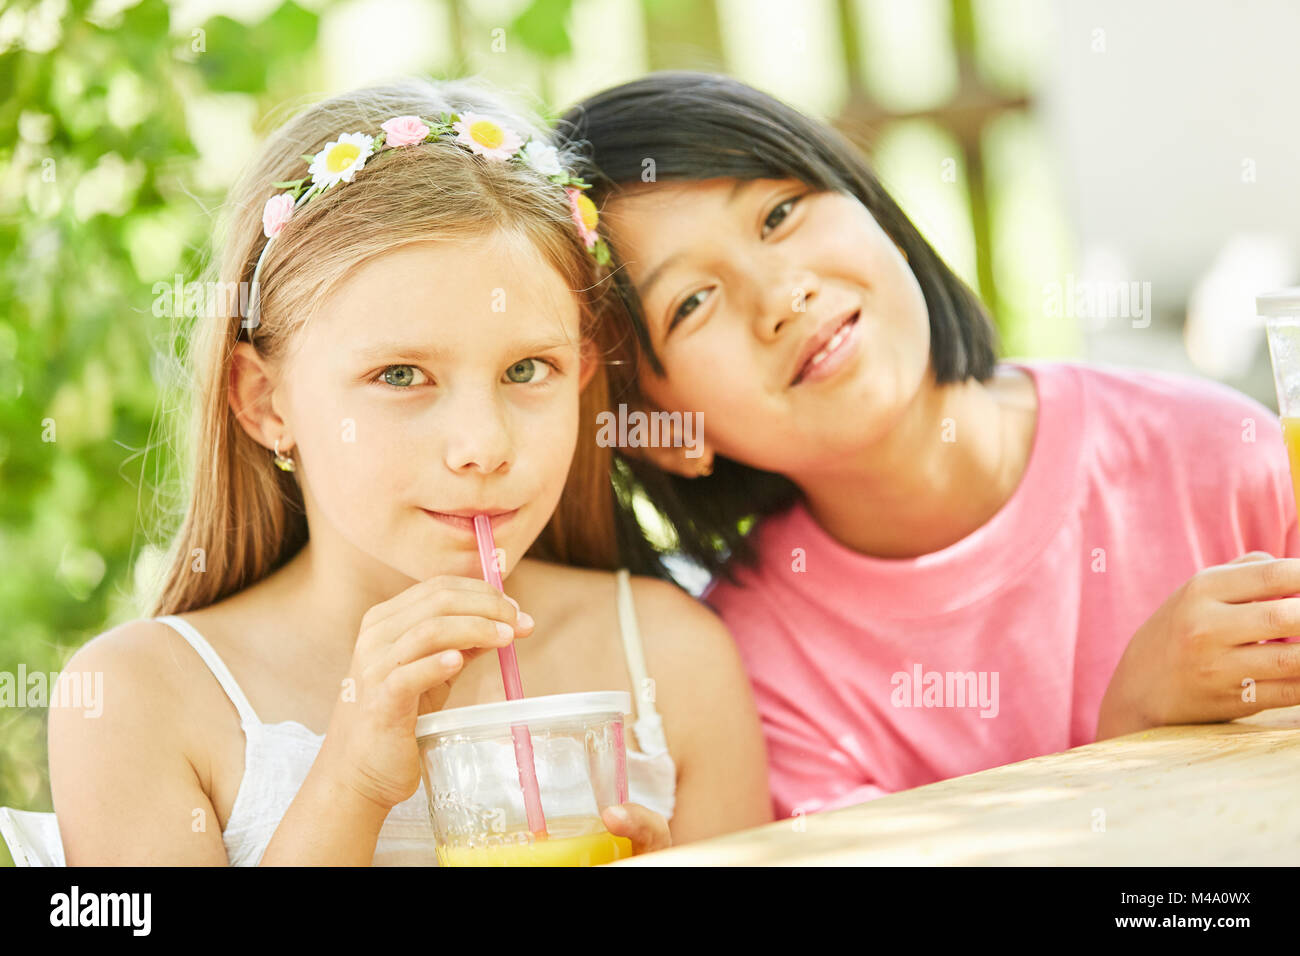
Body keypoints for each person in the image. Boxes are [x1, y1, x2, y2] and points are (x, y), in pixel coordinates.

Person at [48, 77, 771, 865]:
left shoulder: (672, 658)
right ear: (265, 403)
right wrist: (352, 781)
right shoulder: (139, 700)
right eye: (400, 375)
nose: (481, 445)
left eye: (528, 369)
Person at [556, 71, 1300, 821]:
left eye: (779, 213)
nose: (780, 296)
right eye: (691, 302)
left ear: (871, 205)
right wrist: (1136, 732)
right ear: (665, 437)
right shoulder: (753, 678)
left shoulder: (1213, 454)